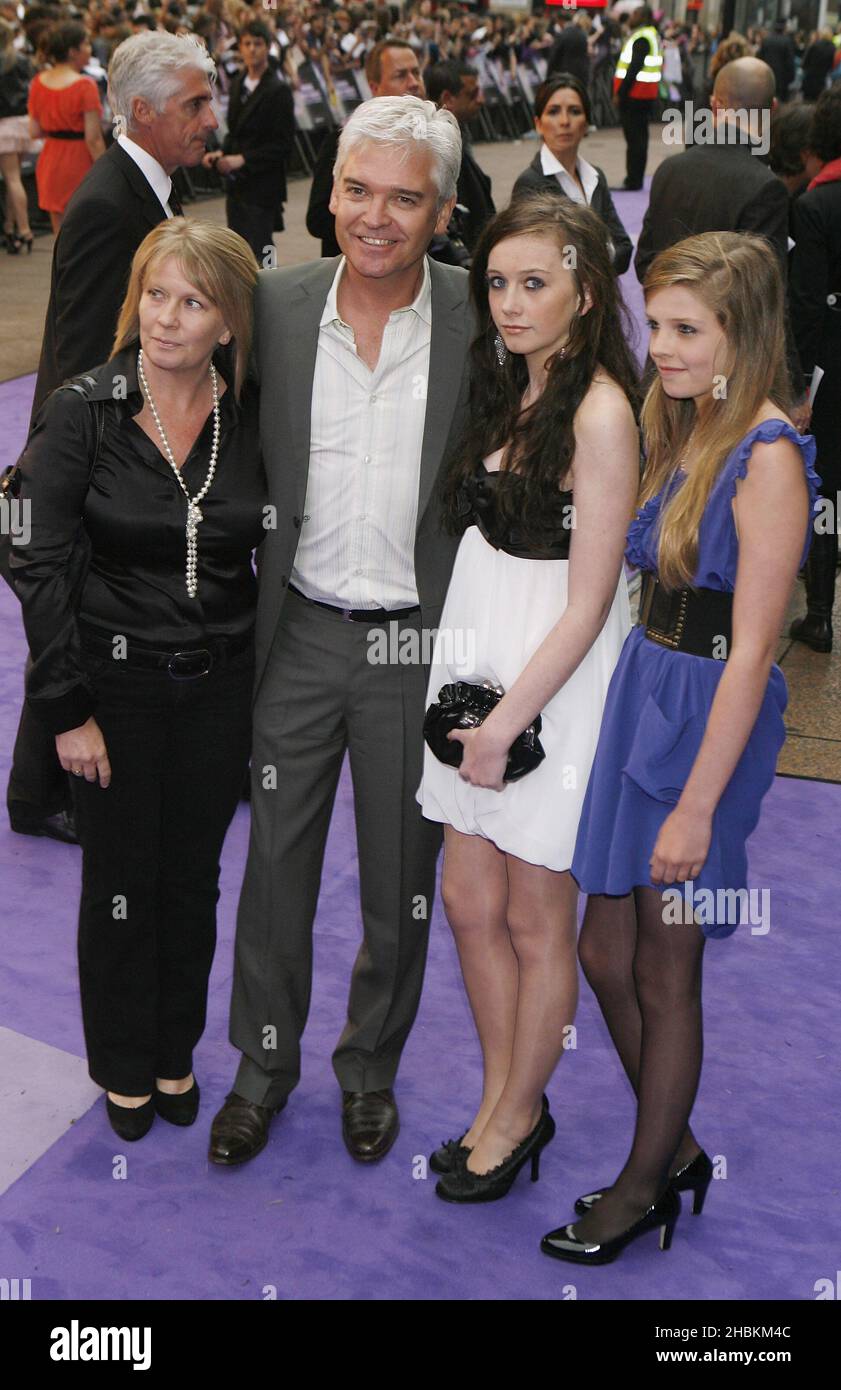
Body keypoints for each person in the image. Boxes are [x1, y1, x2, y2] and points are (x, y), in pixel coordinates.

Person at [541, 231, 818, 1265]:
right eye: (654, 324)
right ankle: (679, 1147)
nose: (658, 345)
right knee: (603, 950)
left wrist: (699, 807)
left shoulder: (768, 455)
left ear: (740, 337)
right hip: (641, 694)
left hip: (706, 721)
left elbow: (751, 652)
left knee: (666, 966)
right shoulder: (685, 421)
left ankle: (645, 1182)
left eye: (684, 329)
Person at [209, 96, 473, 1169]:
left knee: (399, 879)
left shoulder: (476, 317)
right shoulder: (273, 304)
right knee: (275, 870)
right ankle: (261, 1071)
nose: (374, 217)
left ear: (442, 210)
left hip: (421, 645)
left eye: (403, 198)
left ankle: (368, 1071)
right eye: (356, 191)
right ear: (329, 193)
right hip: (302, 634)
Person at [9, 219, 264, 1143]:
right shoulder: (87, 407)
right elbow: (29, 548)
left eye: (193, 302)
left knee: (191, 878)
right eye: (155, 294)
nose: (166, 318)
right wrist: (66, 706)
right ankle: (121, 1064)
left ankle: (173, 1048)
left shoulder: (249, 418)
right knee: (120, 879)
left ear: (228, 324)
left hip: (219, 691)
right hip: (112, 691)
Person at [417, 195, 640, 1202]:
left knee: (536, 914)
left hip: (554, 678)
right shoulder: (505, 382)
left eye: (533, 284)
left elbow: (591, 600)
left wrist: (508, 722)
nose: (508, 303)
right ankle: (504, 1090)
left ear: (584, 293)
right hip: (477, 647)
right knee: (468, 899)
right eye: (497, 283)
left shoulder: (599, 411)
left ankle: (514, 1112)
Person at [7, 29, 218, 850]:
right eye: (194, 103)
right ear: (142, 111)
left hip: (123, 442)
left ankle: (49, 784)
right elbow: (85, 347)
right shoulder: (108, 204)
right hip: (90, 451)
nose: (210, 117)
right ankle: (39, 793)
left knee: (93, 615)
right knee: (70, 618)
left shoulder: (147, 189)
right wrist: (100, 460)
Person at [635, 57, 809, 427]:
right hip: (724, 377)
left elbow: (644, 263)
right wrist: (791, 392)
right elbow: (767, 297)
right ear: (772, 110)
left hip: (662, 363)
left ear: (714, 104)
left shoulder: (670, 170)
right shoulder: (765, 186)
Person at [788, 87, 841, 651]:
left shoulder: (815, 205)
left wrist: (799, 382)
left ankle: (820, 611)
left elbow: (805, 306)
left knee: (826, 479)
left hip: (831, 358)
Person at [305, 38, 424, 257]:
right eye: (401, 75)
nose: (414, 82)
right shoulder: (343, 141)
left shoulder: (431, 147)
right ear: (375, 87)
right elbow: (317, 219)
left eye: (416, 73)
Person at [511, 75, 633, 276]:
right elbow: (540, 260)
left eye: (575, 112)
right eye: (553, 111)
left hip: (601, 304)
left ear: (586, 124)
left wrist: (588, 259)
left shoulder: (595, 176)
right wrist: (601, 255)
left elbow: (624, 249)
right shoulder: (530, 184)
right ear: (538, 124)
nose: (565, 121)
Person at [201, 19, 294, 264]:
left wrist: (243, 159)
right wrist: (221, 154)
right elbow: (235, 133)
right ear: (240, 48)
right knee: (237, 250)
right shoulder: (238, 83)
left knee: (264, 250)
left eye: (258, 44)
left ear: (267, 47)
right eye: (247, 44)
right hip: (238, 186)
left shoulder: (278, 90)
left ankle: (271, 288)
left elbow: (283, 145)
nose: (252, 49)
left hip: (263, 185)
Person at [27, 20, 105, 233]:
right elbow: (93, 139)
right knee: (87, 229)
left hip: (51, 158)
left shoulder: (38, 81)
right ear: (73, 51)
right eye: (86, 44)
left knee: (60, 232)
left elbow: (34, 131)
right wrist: (106, 169)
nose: (90, 49)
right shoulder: (84, 85)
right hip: (79, 159)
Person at [424, 59, 495, 260]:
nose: (480, 100)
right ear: (448, 98)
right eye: (471, 94)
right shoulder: (434, 149)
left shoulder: (459, 136)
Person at [612, 5, 662, 191]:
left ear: (642, 16)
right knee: (639, 138)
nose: (631, 16)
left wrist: (620, 93)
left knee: (635, 139)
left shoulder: (642, 37)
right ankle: (635, 178)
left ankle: (633, 179)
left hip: (636, 95)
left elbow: (634, 68)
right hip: (644, 93)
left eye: (635, 14)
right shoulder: (650, 34)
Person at [0, 16, 35, 252]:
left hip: (4, 126)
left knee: (11, 179)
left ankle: (23, 230)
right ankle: (11, 227)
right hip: (23, 123)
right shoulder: (22, 60)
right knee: (15, 179)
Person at [546, 13, 590, 93]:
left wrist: (548, 76)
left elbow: (554, 57)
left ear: (561, 21)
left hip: (564, 75)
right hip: (581, 75)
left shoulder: (562, 34)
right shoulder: (582, 34)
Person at [758, 19, 795, 101]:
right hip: (782, 80)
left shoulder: (766, 40)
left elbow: (760, 58)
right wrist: (790, 78)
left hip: (767, 78)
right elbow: (790, 62)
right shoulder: (787, 41)